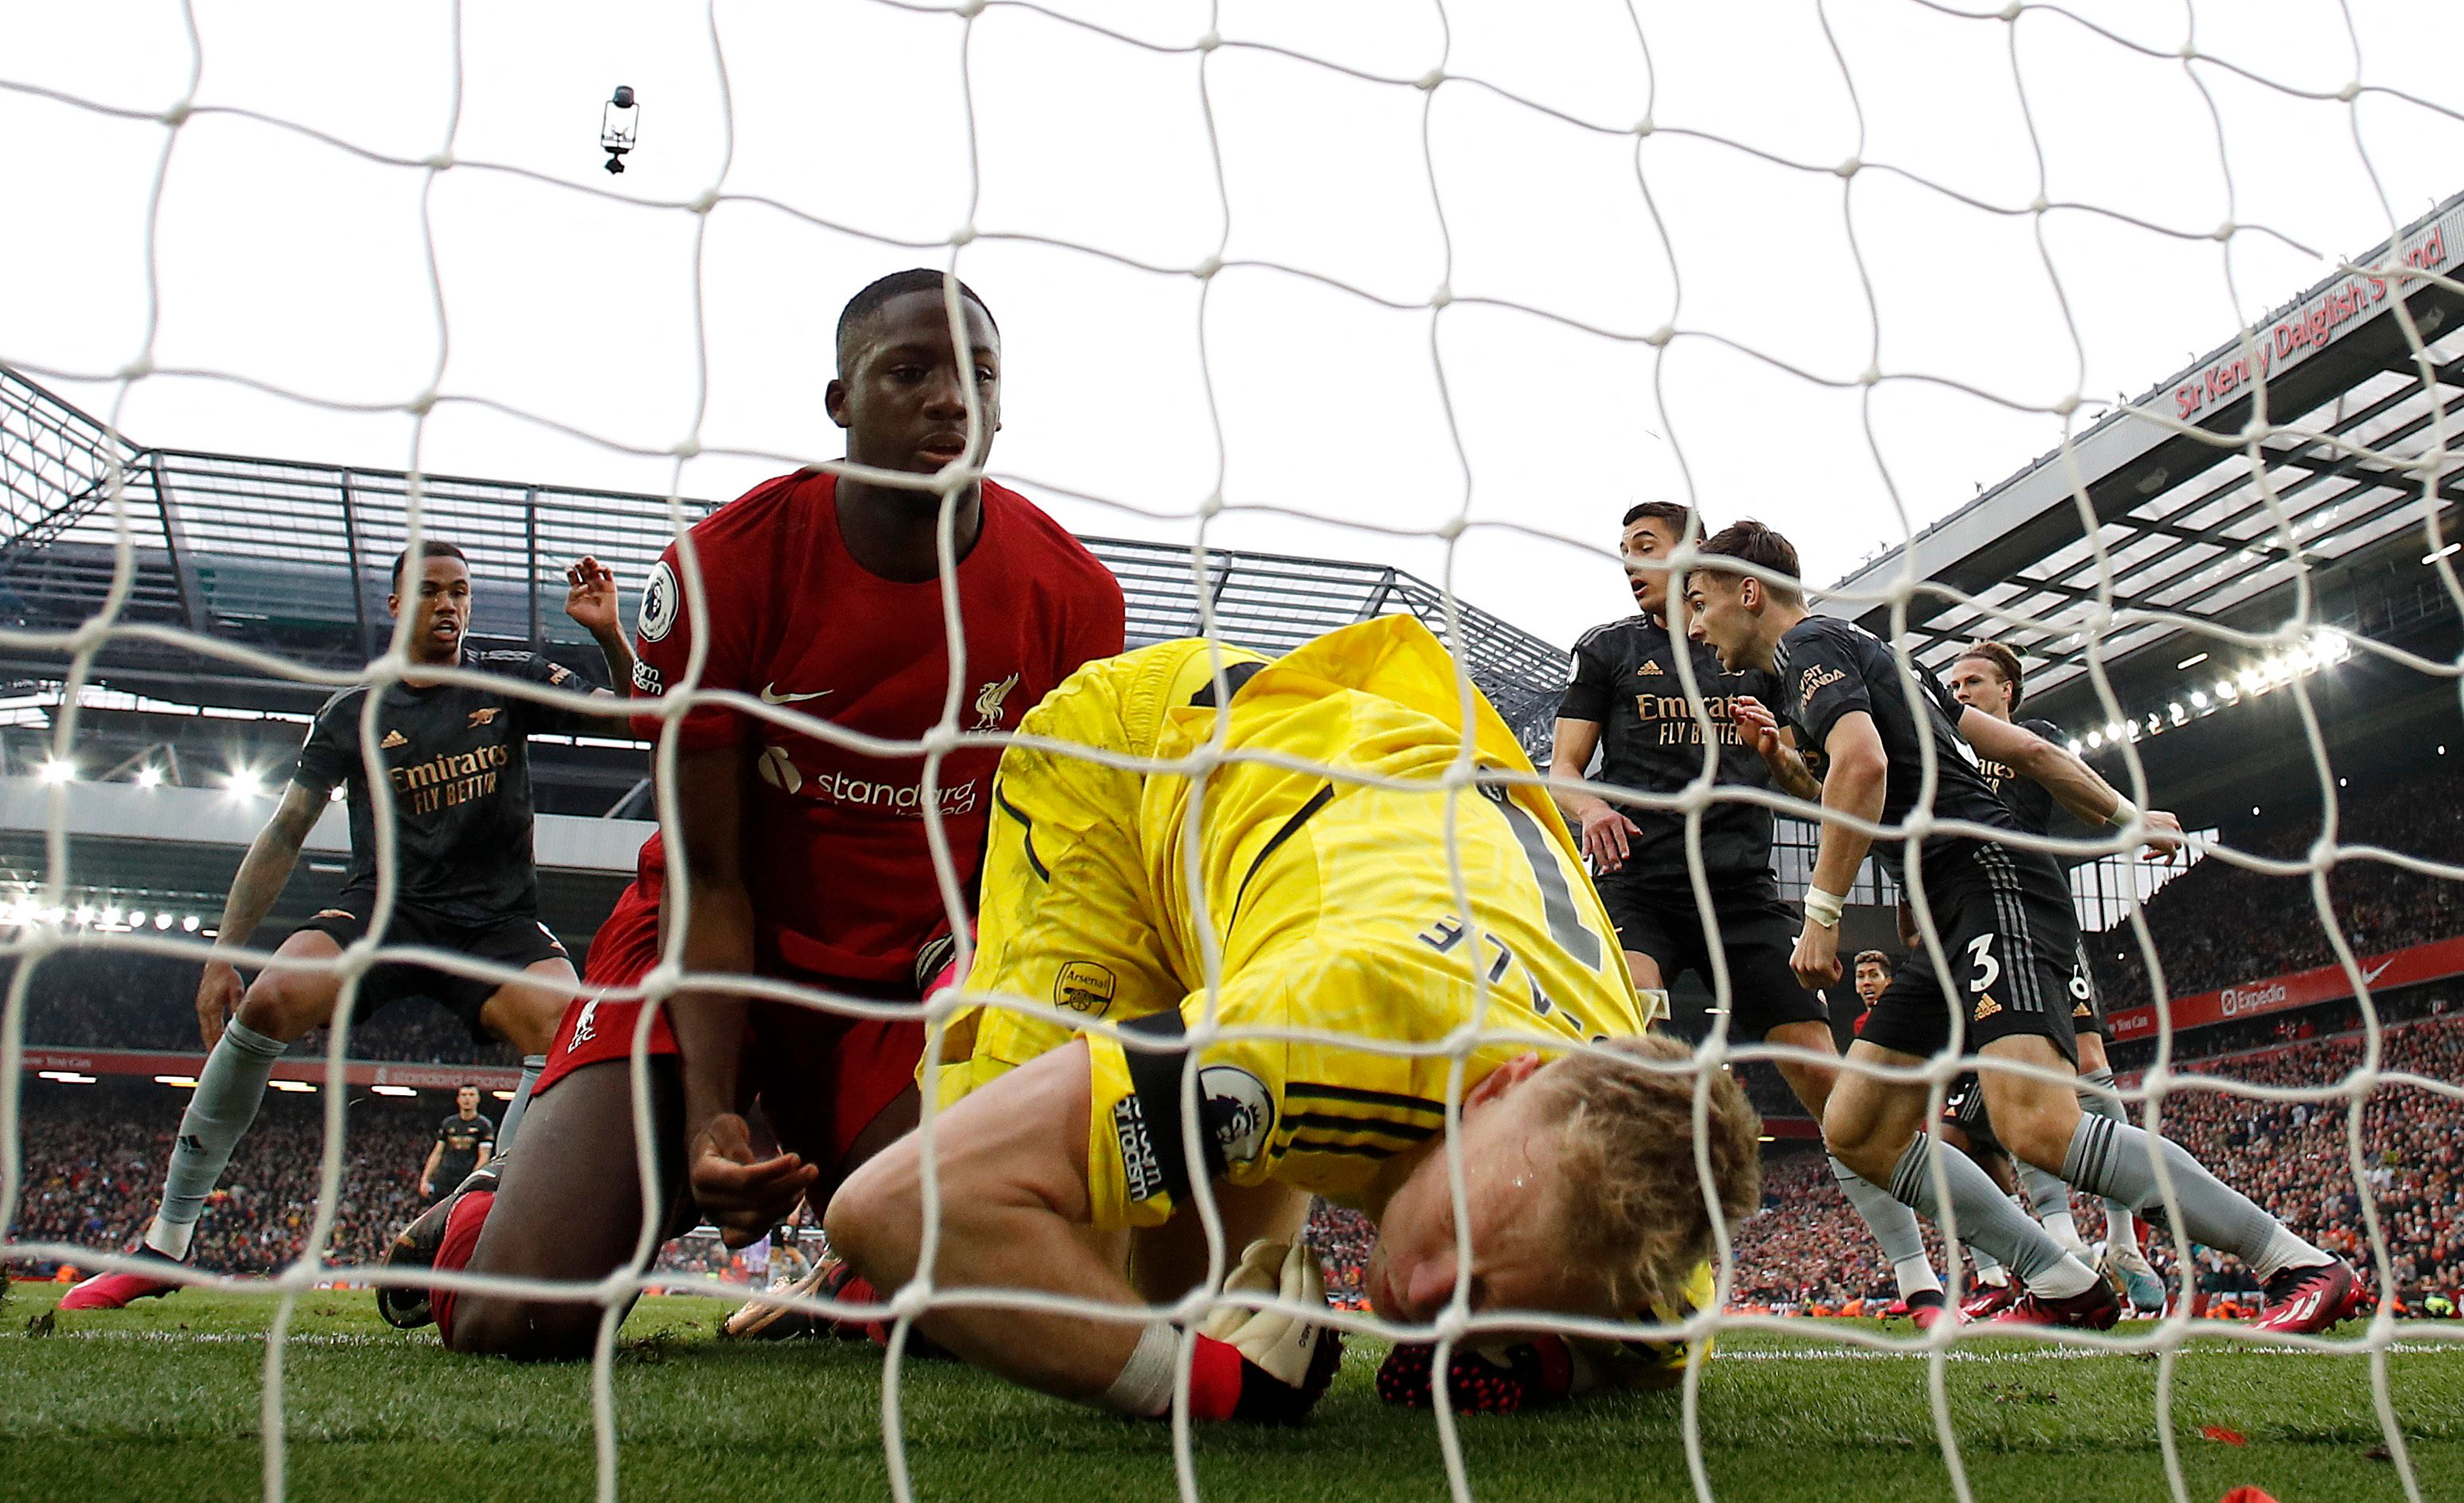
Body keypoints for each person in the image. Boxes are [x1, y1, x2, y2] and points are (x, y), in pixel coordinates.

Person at [381, 268, 1128, 1357]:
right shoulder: (726, 571)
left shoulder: (1074, 600)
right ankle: (482, 1212)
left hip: (897, 988)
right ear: (840, 401)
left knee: (1002, 1302)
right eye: (908, 371)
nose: (950, 401)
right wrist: (707, 1117)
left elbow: (1036, 878)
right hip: (709, 947)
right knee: (517, 1319)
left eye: (976, 374)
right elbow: (709, 876)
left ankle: (857, 1267)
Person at [821, 615, 1763, 1423]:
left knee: (1194, 1293)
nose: (1425, 1302)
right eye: (1470, 1252)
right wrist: (1198, 1383)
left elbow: (1676, 1331)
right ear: (1505, 1080)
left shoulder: (1646, 1217)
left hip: (1348, 815)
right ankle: (955, 1016)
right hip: (1130, 763)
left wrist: (1551, 1358)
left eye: (1498, 1304)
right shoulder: (1333, 1028)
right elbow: (898, 1208)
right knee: (1028, 1275)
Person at [1689, 519, 2361, 1333]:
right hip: (1947, 905)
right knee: (1856, 1127)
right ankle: (2058, 1279)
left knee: (2034, 1123)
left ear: (1747, 591)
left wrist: (1822, 913)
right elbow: (2012, 755)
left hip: (1987, 880)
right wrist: (2123, 814)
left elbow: (1865, 770)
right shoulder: (1877, 660)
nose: (1694, 624)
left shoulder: (1812, 646)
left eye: (1699, 599)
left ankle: (2298, 1260)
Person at [62, 545, 636, 1311]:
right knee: (266, 1001)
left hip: (493, 922)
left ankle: (472, 1228)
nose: (448, 605)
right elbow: (284, 830)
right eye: (430, 590)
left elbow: (638, 711)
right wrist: (222, 954)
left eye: (461, 592)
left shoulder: (509, 681)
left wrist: (609, 632)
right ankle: (165, 1245)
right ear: (397, 605)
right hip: (384, 913)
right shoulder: (354, 712)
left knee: (569, 1032)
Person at [1550, 502, 1947, 1326]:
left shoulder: (1754, 649)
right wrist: (1588, 811)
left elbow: (1825, 768)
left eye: (1647, 547)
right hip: (1639, 888)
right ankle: (1605, 1271)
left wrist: (1780, 757)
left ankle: (1922, 1277)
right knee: (1625, 1057)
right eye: (1623, 550)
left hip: (1740, 890)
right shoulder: (1608, 650)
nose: (1630, 562)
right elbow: (1561, 768)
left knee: (1833, 1091)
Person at [1947, 639, 2164, 1313]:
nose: (1959, 691)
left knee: (2088, 1059)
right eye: (1952, 682)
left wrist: (2129, 820)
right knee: (2021, 1073)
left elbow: (2070, 791)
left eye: (1974, 681)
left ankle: (2124, 1238)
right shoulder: (1943, 746)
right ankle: (2062, 1235)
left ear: (2008, 688)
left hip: (2040, 914)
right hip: (1974, 922)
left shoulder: (2033, 739)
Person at [421, 1086, 497, 1205]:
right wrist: (425, 1179)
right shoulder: (449, 1123)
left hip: (465, 1181)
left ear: (478, 1099)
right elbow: (437, 1153)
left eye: (471, 1095)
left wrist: (471, 1181)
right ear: (458, 1099)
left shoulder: (484, 1126)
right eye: (464, 1095)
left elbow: (484, 1157)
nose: (467, 1099)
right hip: (444, 1180)